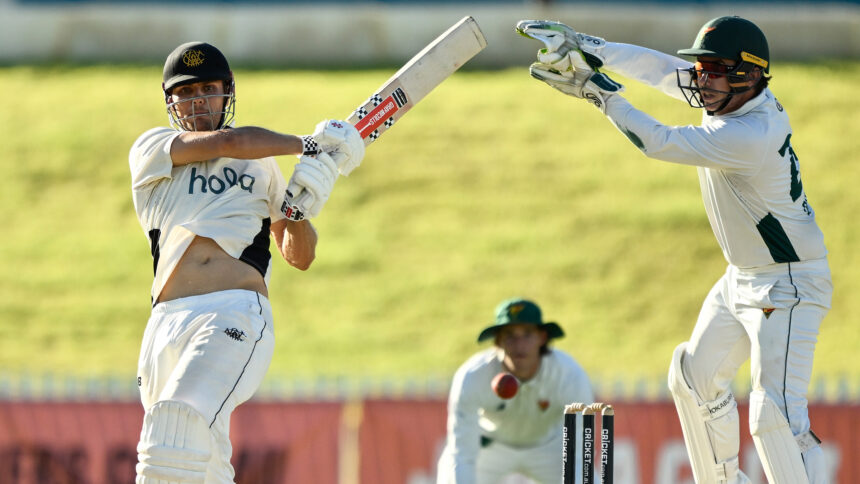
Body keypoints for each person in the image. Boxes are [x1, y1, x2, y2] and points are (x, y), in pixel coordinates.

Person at [518, 15, 832, 484]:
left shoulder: (750, 134)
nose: (701, 82)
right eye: (701, 70)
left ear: (747, 74)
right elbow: (661, 70)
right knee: (691, 377)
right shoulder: (731, 97)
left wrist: (598, 91)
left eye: (712, 70)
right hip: (741, 277)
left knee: (774, 416)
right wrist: (587, 44)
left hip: (788, 285)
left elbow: (659, 142)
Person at [128, 41, 364, 482]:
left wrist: (300, 211)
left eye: (208, 88)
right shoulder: (153, 148)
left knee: (173, 429)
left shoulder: (263, 168)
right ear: (170, 101)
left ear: (226, 93)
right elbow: (231, 141)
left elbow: (300, 257)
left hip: (230, 314)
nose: (198, 101)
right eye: (186, 92)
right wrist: (309, 146)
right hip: (163, 324)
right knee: (199, 464)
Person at [436, 298, 593, 484]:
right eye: (510, 335)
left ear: (542, 338)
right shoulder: (473, 376)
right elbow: (462, 453)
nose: (519, 344)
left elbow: (581, 449)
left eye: (527, 334)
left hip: (550, 447)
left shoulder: (569, 375)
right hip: (491, 446)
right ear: (498, 340)